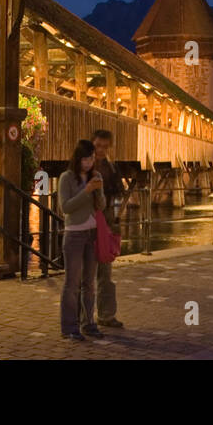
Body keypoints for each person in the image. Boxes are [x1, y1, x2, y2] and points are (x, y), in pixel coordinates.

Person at [58, 139, 106, 341]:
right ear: (78, 158)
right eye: (86, 159)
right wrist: (85, 191)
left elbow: (101, 206)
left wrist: (98, 191)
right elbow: (66, 207)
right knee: (72, 283)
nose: (89, 163)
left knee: (90, 283)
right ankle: (70, 327)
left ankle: (89, 323)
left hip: (92, 234)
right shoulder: (66, 178)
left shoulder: (96, 176)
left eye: (92, 159)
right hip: (74, 235)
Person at [91, 129, 125, 328]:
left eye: (105, 146)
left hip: (107, 222)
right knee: (85, 275)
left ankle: (106, 315)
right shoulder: (83, 168)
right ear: (92, 145)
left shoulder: (112, 169)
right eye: (98, 146)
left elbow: (119, 196)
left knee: (105, 273)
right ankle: (83, 317)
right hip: (87, 224)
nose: (101, 150)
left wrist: (114, 224)